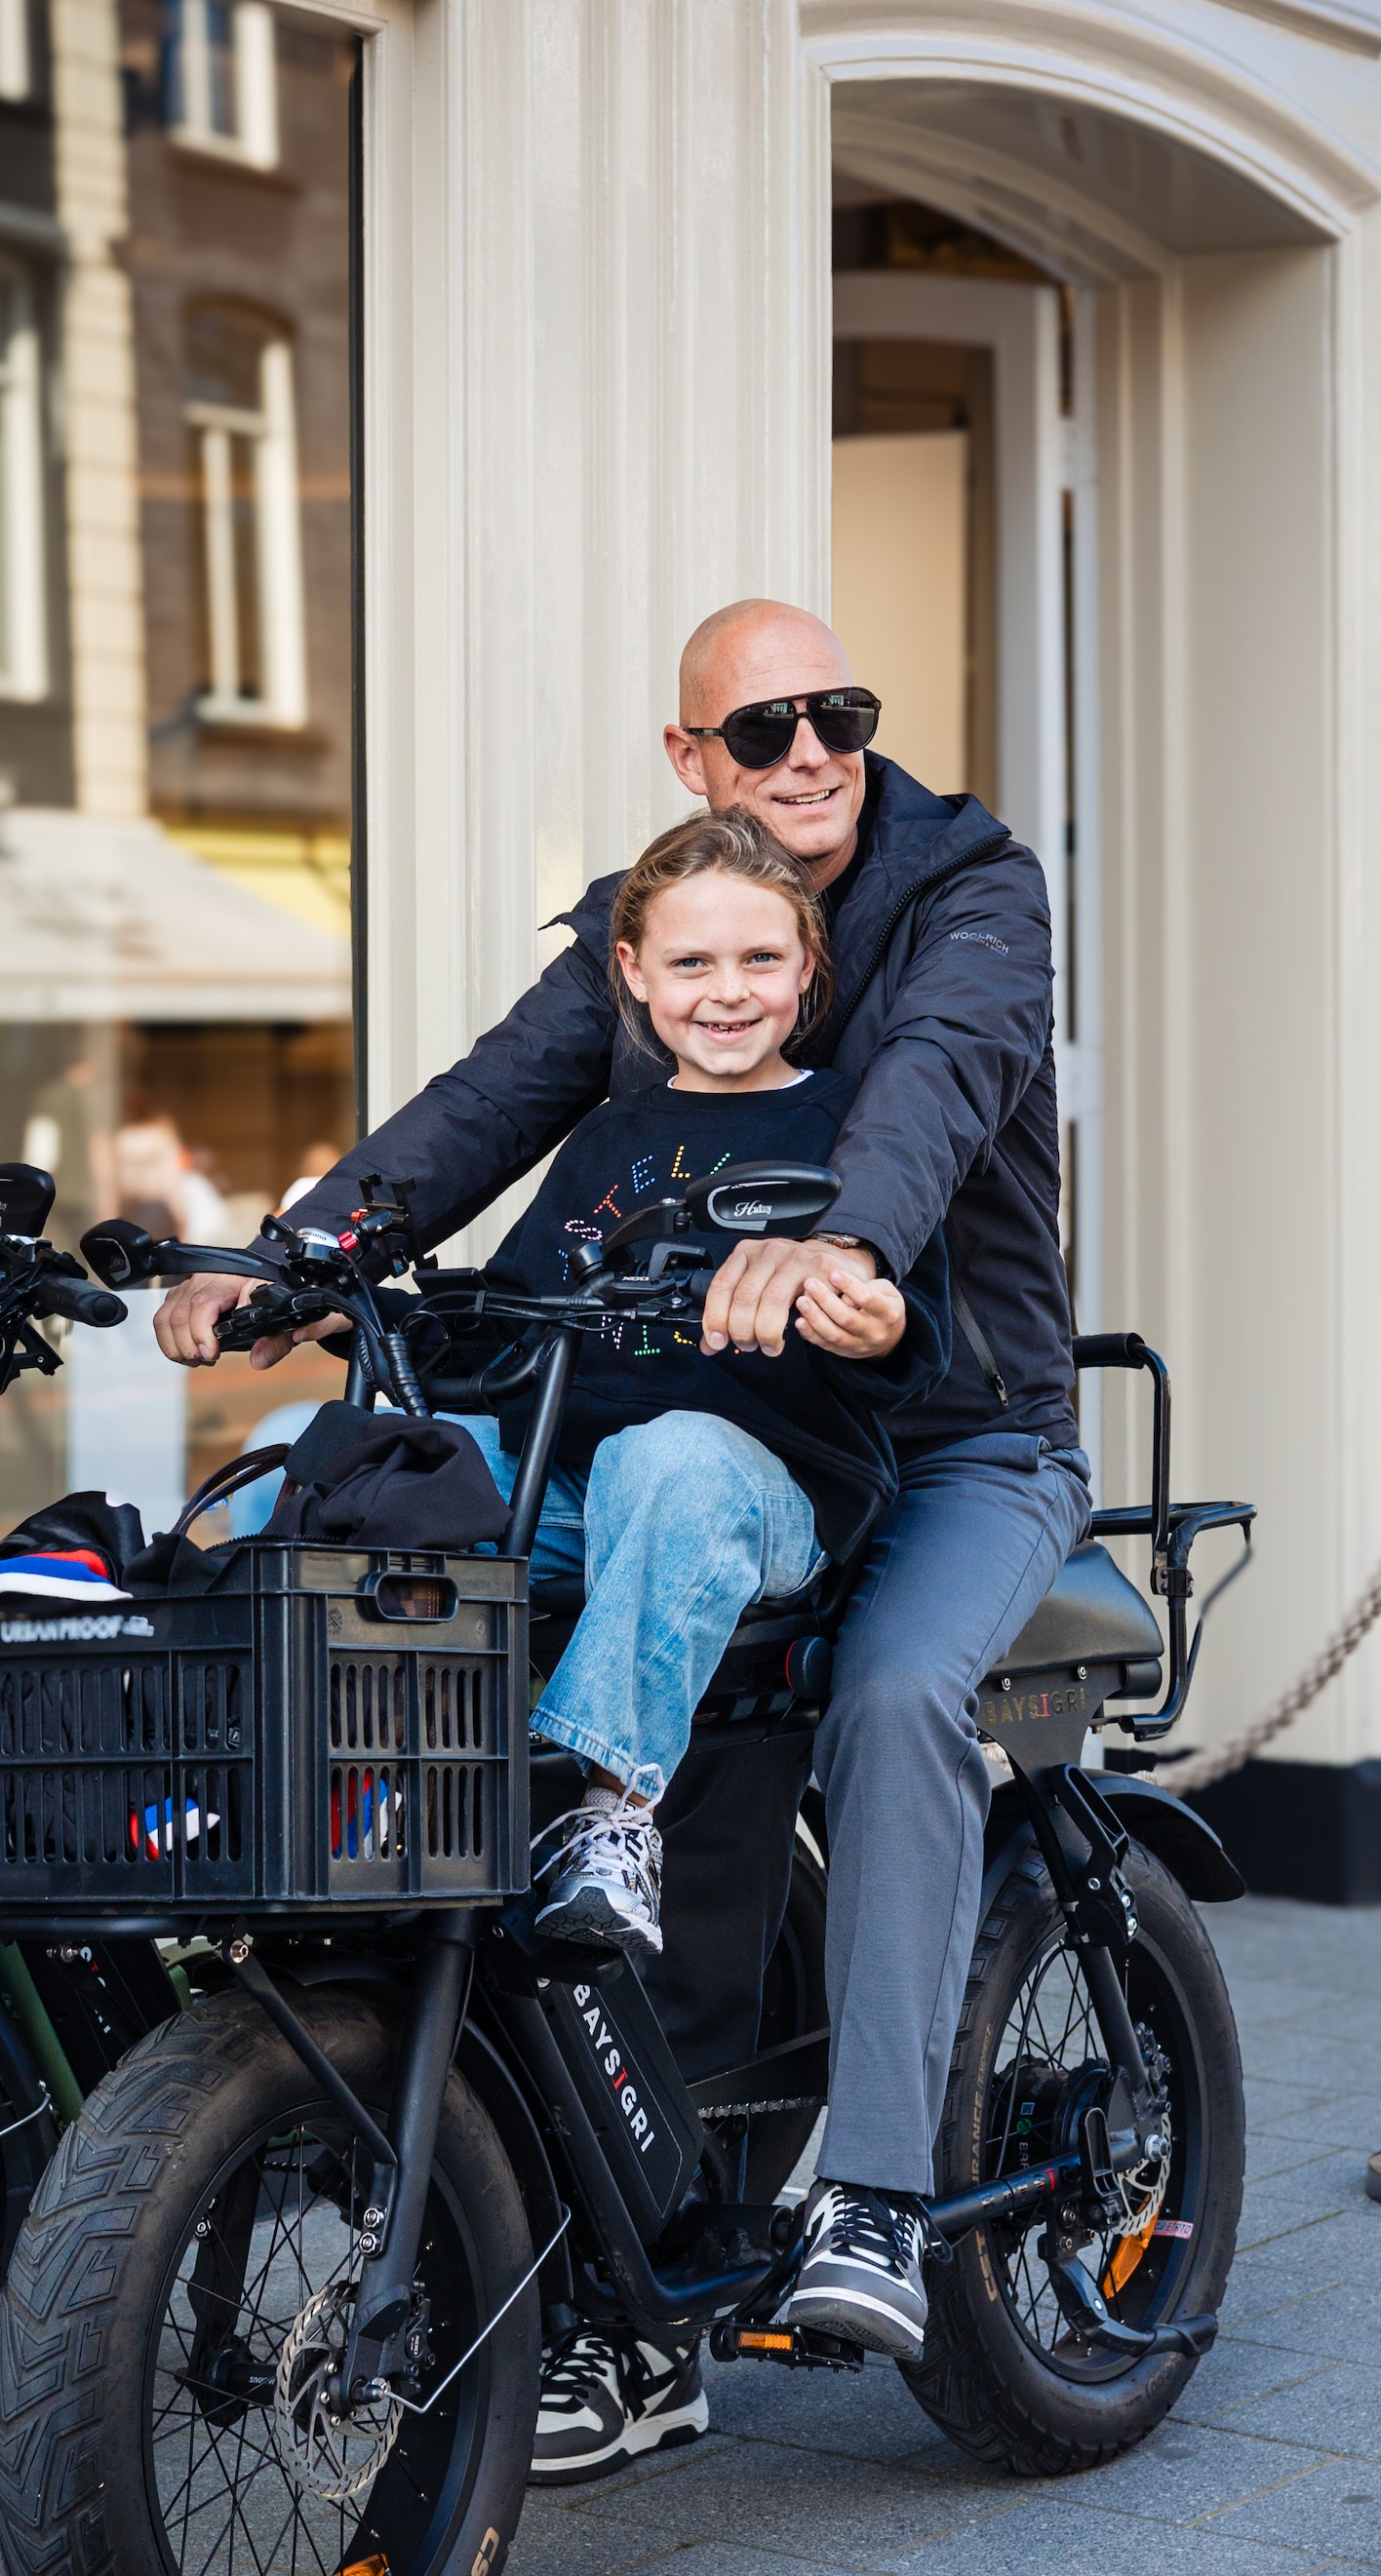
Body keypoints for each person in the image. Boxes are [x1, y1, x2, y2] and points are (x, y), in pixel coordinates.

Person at [157, 597, 1086, 2415]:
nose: (811, 749)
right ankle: (602, 2242)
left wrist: (841, 1249)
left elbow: (931, 1092)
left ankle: (882, 2190)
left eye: (842, 712)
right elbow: (482, 1113)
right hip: (692, 1417)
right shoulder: (646, 932)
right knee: (438, 1533)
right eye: (762, 729)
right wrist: (298, 1263)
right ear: (691, 758)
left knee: (889, 1699)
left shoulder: (976, 892)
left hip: (952, 1422)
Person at [452, 811, 945, 1958]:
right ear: (631, 972)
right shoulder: (608, 1132)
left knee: (663, 1454)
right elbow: (516, 1314)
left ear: (806, 966)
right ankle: (312, 1773)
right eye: (690, 963)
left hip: (758, 1495)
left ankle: (608, 1817)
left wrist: (875, 1325)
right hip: (576, 1489)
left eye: (759, 959)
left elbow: (920, 1337)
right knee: (361, 1450)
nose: (725, 993)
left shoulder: (848, 1124)